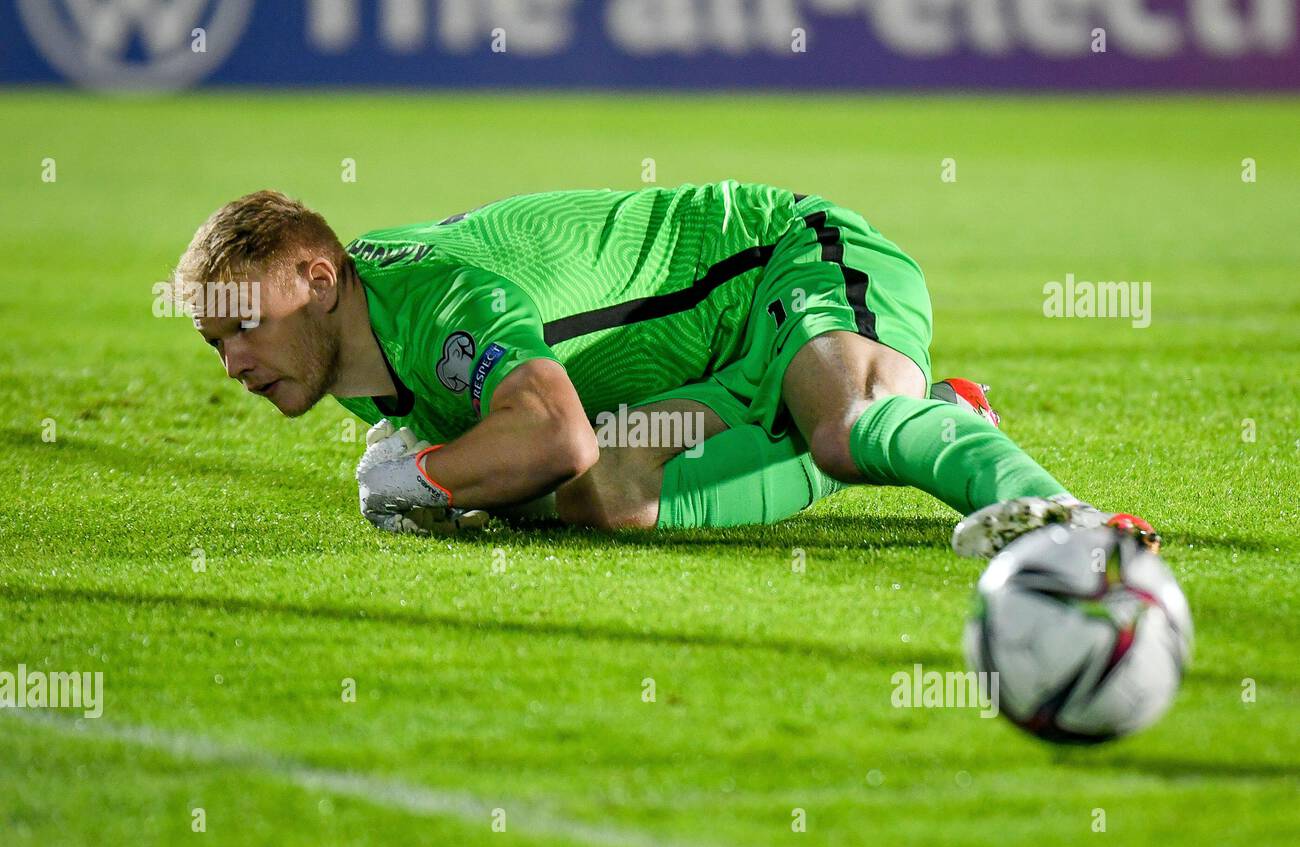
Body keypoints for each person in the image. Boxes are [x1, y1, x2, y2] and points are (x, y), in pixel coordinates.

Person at [174, 182, 1158, 556]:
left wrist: (425, 474)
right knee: (603, 495)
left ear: (316, 276)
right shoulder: (362, 337)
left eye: (243, 325)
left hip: (791, 257)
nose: (234, 362)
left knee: (844, 427)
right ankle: (938, 417)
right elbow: (568, 461)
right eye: (217, 343)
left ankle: (1070, 521)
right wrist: (451, 467)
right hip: (721, 362)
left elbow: (550, 428)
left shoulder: (433, 305)